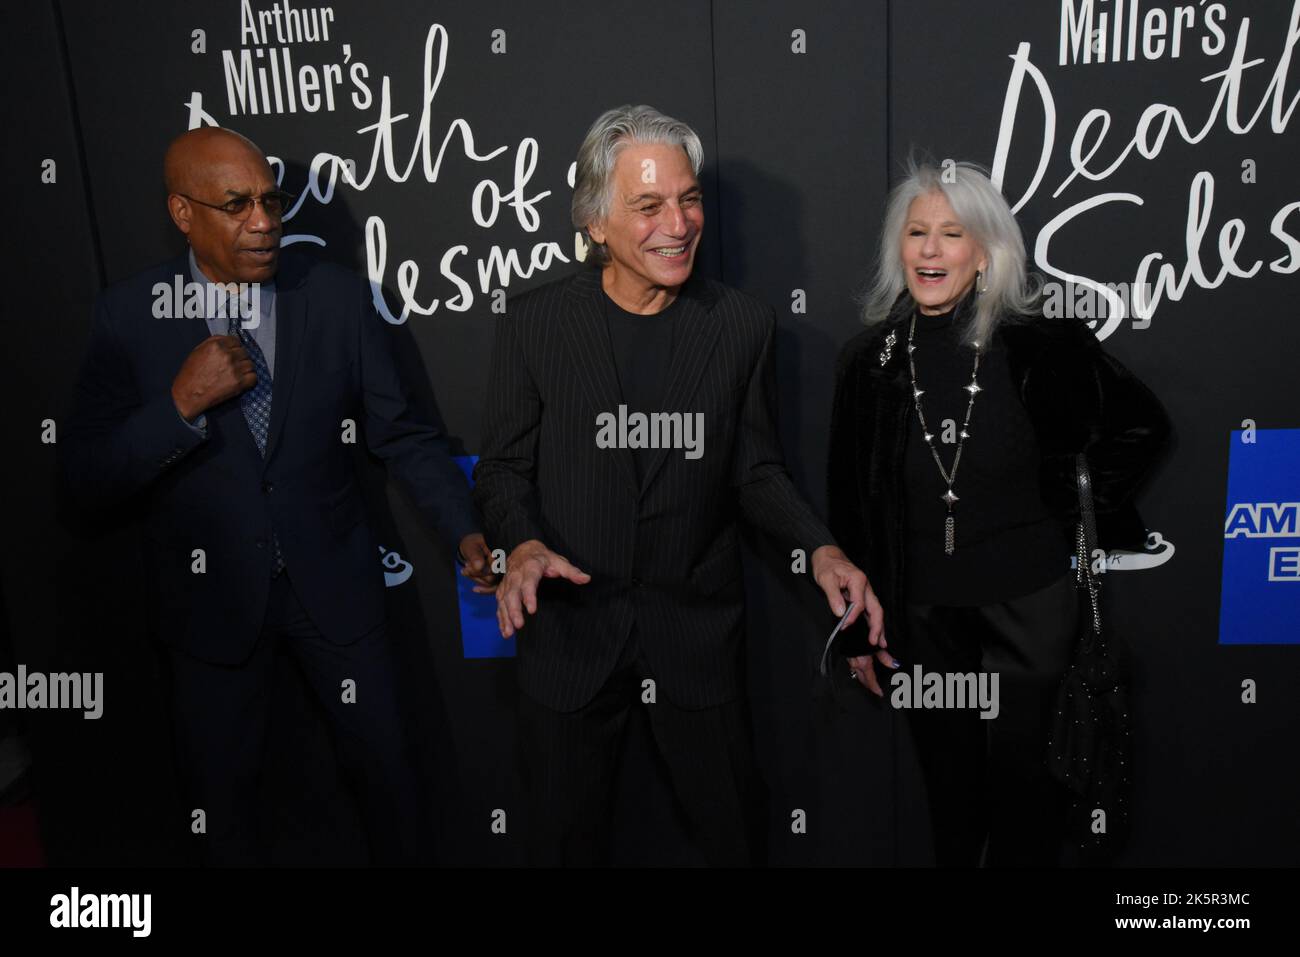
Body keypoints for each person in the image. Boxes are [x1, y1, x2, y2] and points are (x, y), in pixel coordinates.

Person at [59, 127, 497, 865]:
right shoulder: (128, 318)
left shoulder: (334, 296)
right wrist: (178, 405)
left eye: (271, 200)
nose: (264, 221)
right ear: (182, 212)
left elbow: (405, 436)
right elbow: (83, 479)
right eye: (236, 204)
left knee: (392, 783)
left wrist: (465, 531)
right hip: (210, 609)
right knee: (221, 804)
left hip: (337, 590)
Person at [473, 104, 883, 866]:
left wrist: (820, 548)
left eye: (689, 198)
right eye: (649, 204)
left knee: (734, 837)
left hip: (693, 633)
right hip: (571, 634)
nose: (679, 222)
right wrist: (521, 542)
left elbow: (755, 469)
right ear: (595, 222)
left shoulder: (740, 326)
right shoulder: (533, 324)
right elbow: (500, 467)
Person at [827, 159, 1170, 866]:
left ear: (985, 251)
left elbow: (1142, 428)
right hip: (923, 619)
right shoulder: (871, 362)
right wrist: (860, 629)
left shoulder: (1042, 343)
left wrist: (1069, 512)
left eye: (951, 234)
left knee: (1028, 798)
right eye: (916, 232)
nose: (929, 250)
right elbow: (851, 500)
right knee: (950, 797)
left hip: (1031, 609)